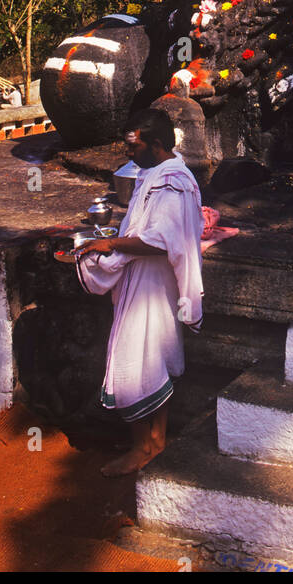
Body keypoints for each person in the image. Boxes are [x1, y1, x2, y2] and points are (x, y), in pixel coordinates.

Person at [75, 108, 204, 476]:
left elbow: (161, 241)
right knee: (154, 360)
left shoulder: (173, 181)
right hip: (145, 280)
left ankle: (142, 446)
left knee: (135, 362)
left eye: (134, 146)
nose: (128, 153)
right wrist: (113, 244)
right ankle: (153, 443)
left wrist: (111, 244)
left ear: (158, 145)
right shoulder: (157, 174)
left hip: (152, 283)